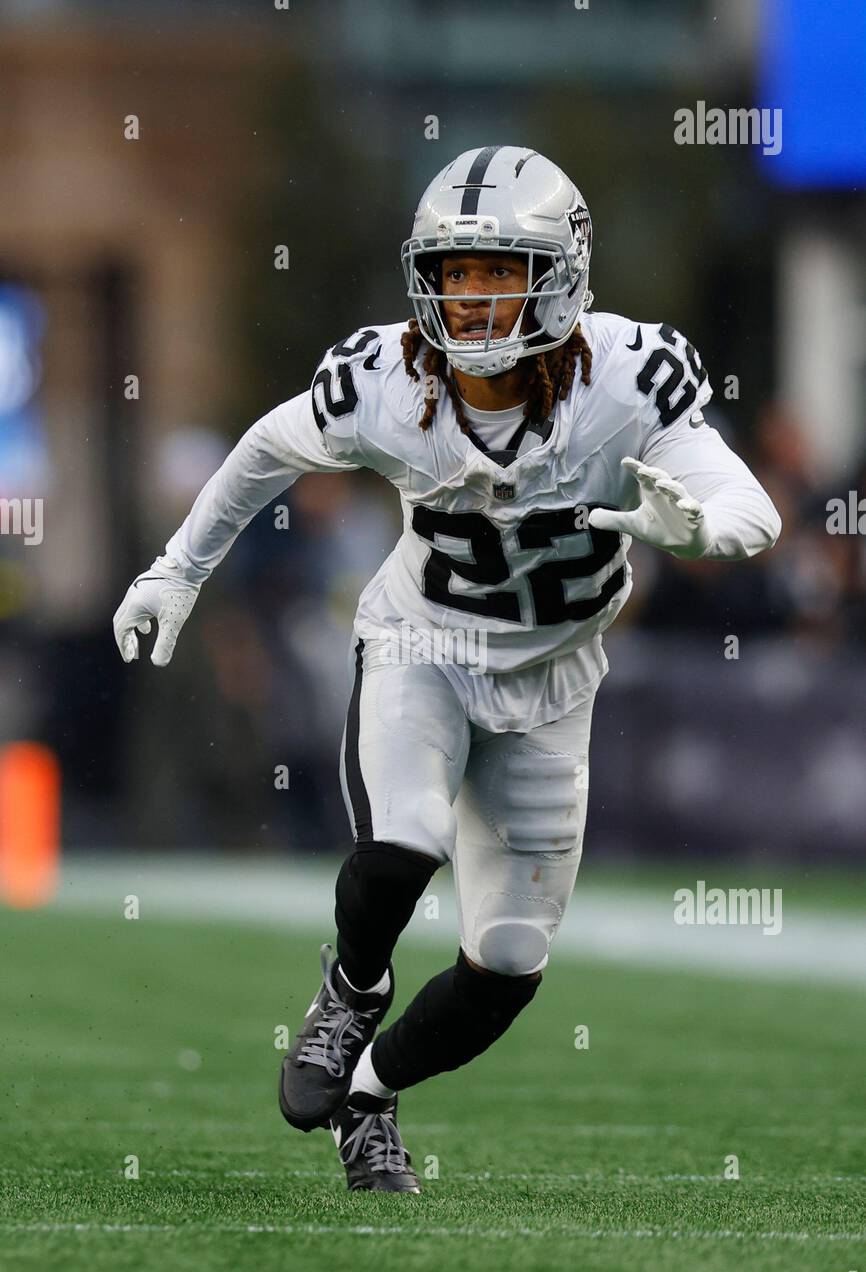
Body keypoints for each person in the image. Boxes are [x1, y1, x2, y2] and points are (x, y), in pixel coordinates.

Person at [113, 146, 781, 1193]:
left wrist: (691, 533)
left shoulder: (624, 380)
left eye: (495, 272)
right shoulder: (387, 379)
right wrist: (176, 571)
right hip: (421, 645)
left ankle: (370, 1097)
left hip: (552, 682)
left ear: (560, 272)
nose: (468, 302)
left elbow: (750, 512)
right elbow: (263, 450)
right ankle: (350, 985)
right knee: (405, 837)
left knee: (507, 964)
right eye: (453, 273)